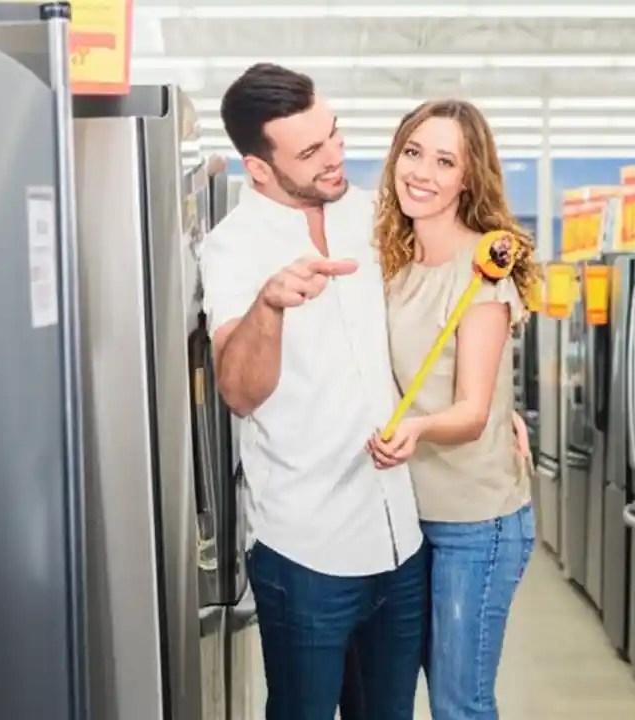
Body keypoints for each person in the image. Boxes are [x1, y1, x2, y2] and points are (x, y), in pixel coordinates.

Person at [199, 63, 428, 720]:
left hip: (399, 538)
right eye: (310, 151)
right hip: (306, 552)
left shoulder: (375, 217)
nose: (334, 157)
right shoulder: (234, 248)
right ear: (260, 167)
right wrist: (269, 305)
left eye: (333, 134)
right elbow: (239, 392)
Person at [366, 99, 541, 720]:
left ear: (467, 178)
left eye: (445, 161)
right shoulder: (391, 261)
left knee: (458, 703)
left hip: (477, 522)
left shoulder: (482, 273)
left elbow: (469, 411)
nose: (422, 172)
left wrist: (421, 426)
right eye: (413, 152)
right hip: (408, 518)